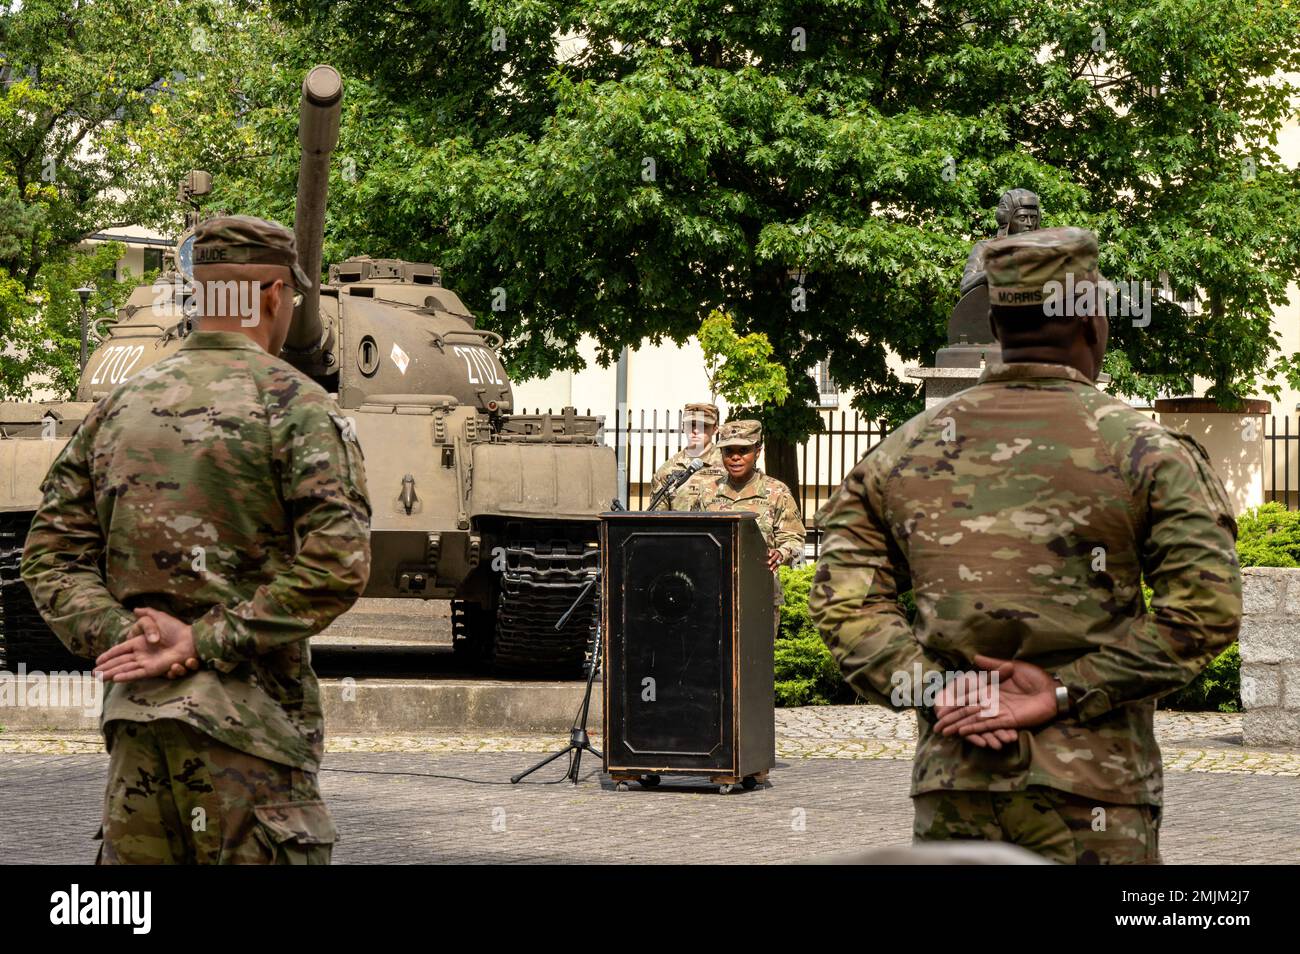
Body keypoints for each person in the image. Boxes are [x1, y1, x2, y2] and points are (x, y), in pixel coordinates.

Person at [809, 226, 1241, 864]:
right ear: (1091, 321)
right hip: (1095, 793)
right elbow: (1204, 612)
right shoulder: (1146, 451)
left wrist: (936, 690)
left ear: (996, 322)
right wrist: (1065, 690)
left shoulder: (901, 452)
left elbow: (845, 606)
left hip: (956, 784)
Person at [21, 215, 373, 864]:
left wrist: (128, 637)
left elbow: (49, 554)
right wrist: (202, 640)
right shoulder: (299, 408)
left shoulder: (117, 408)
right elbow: (337, 564)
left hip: (138, 735)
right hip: (253, 741)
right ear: (273, 295)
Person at [672, 420, 805, 638]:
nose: (735, 457)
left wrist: (781, 553)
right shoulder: (707, 492)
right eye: (729, 451)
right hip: (712, 596)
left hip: (759, 597)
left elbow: (795, 539)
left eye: (743, 450)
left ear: (758, 452)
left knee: (754, 667)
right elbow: (693, 539)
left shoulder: (776, 492)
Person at [649, 402, 723, 509]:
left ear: (715, 429)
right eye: (692, 425)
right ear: (684, 427)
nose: (696, 430)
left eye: (704, 426)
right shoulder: (667, 470)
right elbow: (657, 516)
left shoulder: (727, 465)